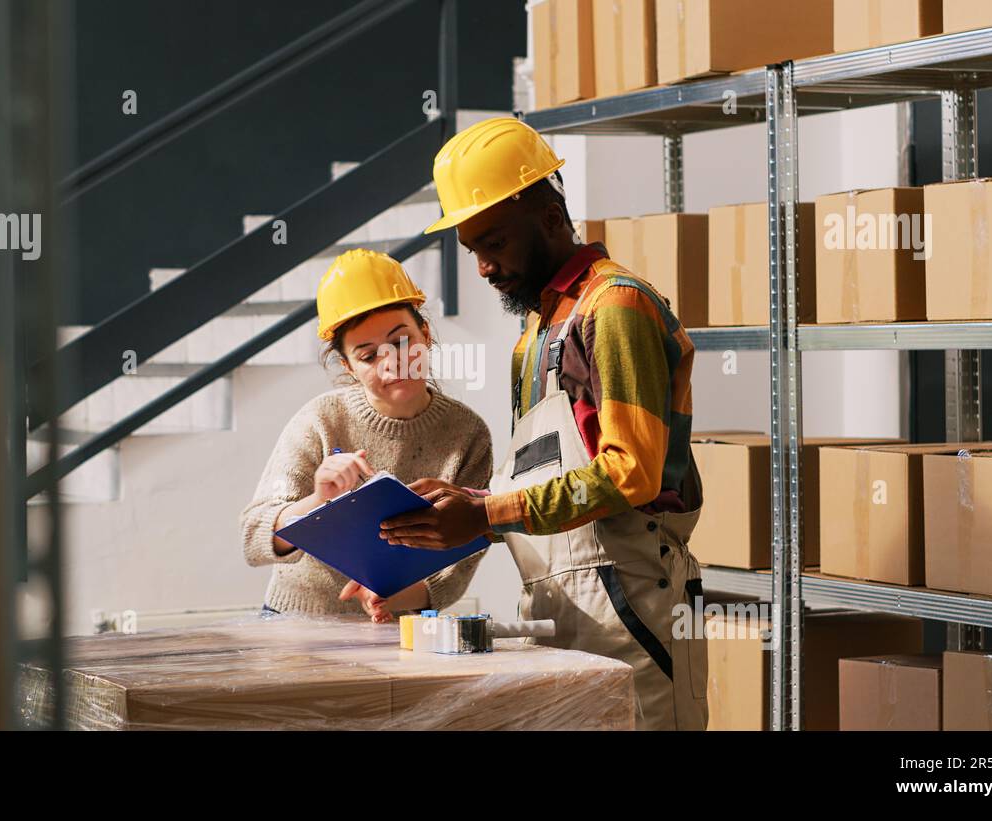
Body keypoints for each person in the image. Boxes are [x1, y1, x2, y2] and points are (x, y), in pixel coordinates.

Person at [380, 117, 709, 730]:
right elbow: (550, 472)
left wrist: (483, 515)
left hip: (633, 602)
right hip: (558, 605)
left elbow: (631, 474)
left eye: (496, 243)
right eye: (473, 250)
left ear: (551, 220)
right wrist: (470, 504)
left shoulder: (615, 308)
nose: (483, 268)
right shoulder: (534, 337)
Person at [239, 248, 493, 623]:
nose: (392, 363)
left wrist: (391, 597)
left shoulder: (468, 435)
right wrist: (318, 501)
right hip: (293, 625)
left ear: (425, 333)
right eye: (369, 356)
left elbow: (462, 558)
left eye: (402, 341)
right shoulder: (319, 421)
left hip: (397, 629)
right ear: (348, 366)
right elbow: (254, 538)